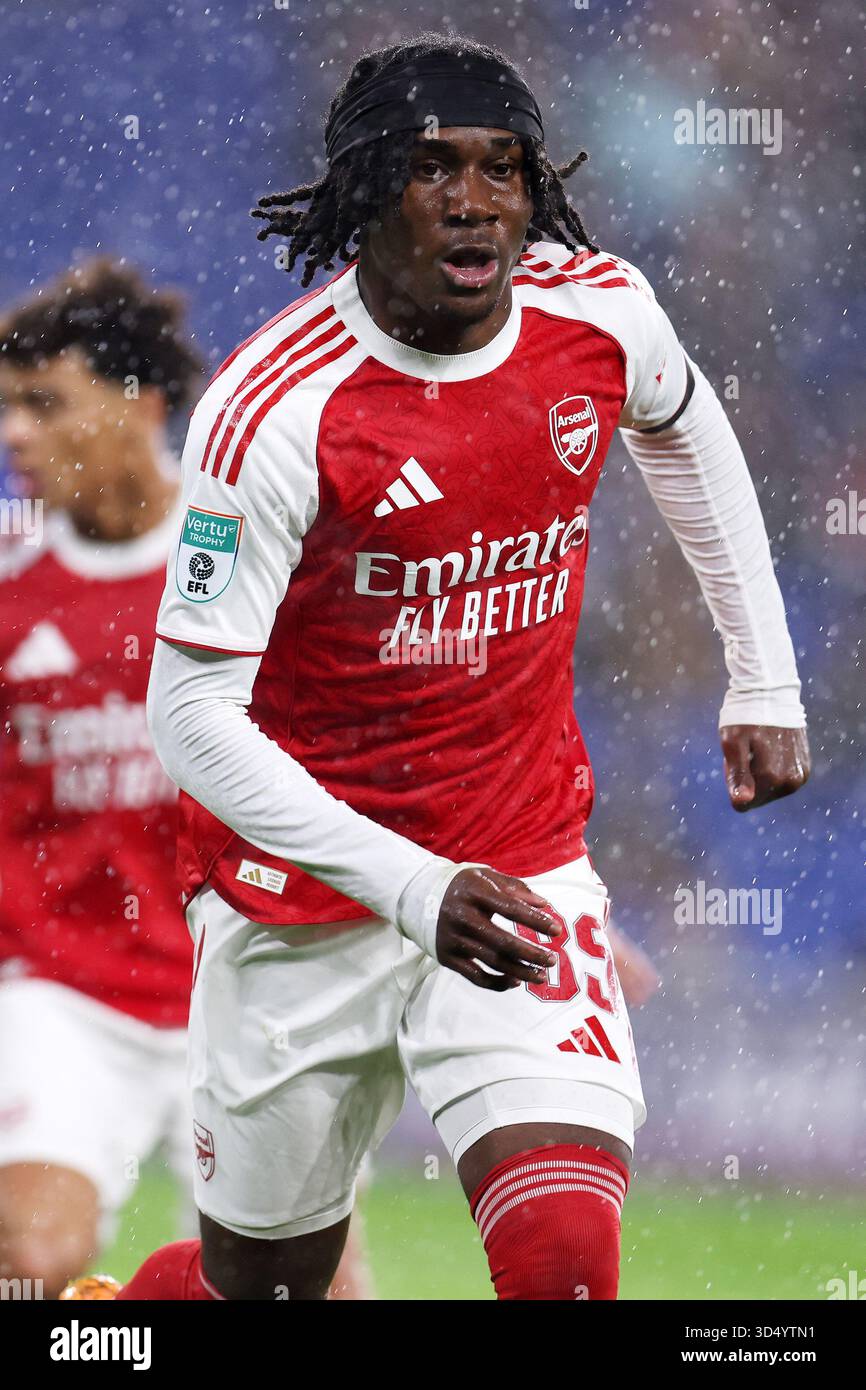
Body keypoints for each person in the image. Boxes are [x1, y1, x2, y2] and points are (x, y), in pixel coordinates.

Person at [109, 33, 808, 1302]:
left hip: (521, 864)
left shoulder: (597, 310)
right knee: (261, 1283)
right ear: (367, 190)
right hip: (298, 895)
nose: (477, 199)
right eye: (433, 169)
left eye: (503, 168)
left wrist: (762, 675)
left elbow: (688, 431)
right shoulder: (276, 412)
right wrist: (412, 885)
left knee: (563, 1263)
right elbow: (190, 717)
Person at [0, 260, 201, 1296]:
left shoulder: (242, 554)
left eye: (43, 402)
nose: (15, 435)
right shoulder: (7, 578)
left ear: (142, 404)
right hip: (65, 986)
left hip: (242, 981)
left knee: (315, 1284)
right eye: (6, 408)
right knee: (31, 1262)